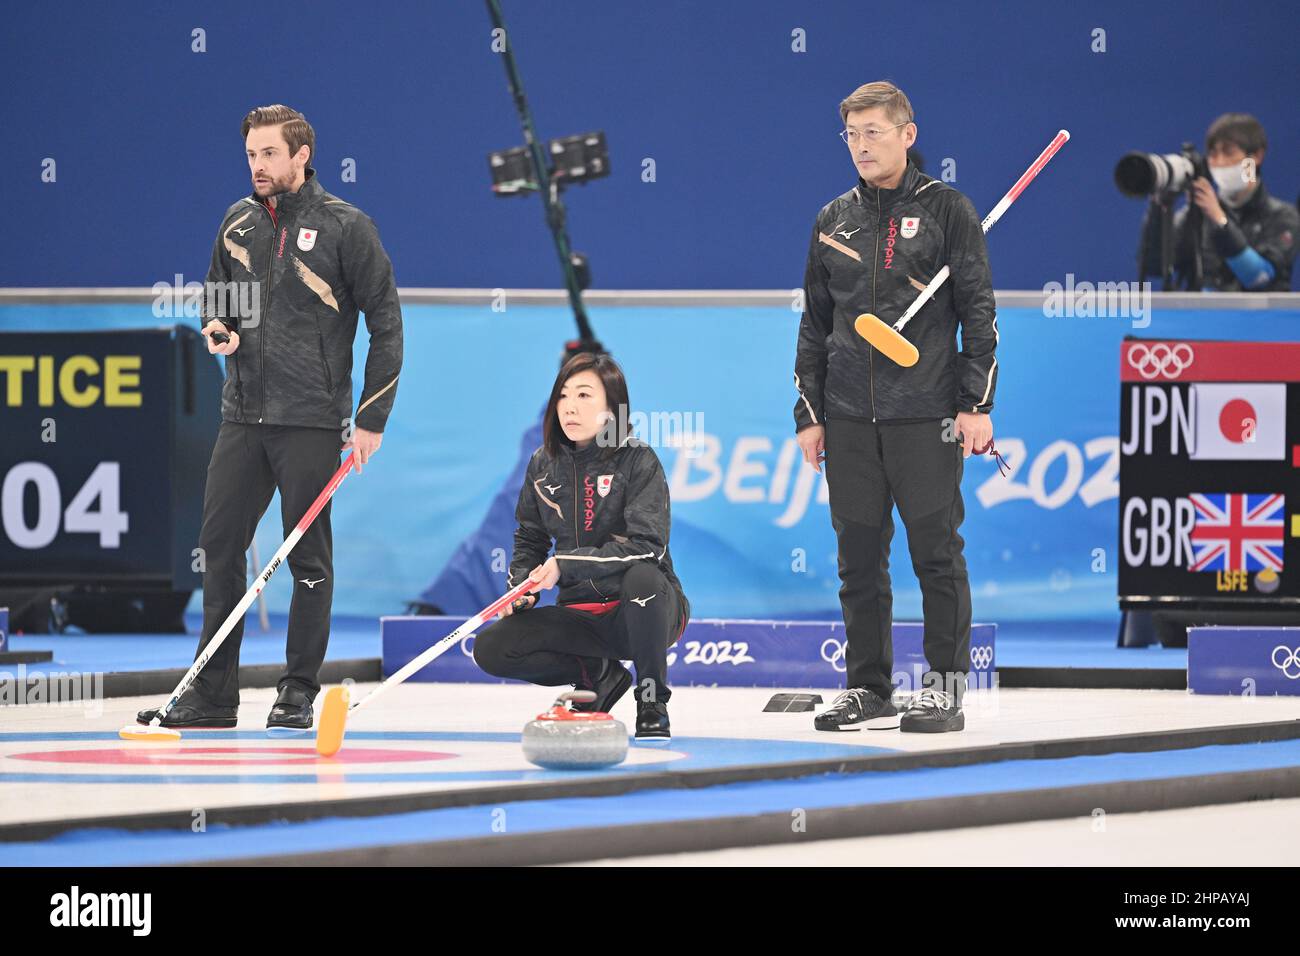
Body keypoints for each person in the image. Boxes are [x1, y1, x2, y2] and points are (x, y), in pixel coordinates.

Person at [138, 104, 403, 730]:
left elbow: (386, 324)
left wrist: (371, 419)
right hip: (242, 418)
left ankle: (296, 692)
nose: (257, 166)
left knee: (307, 555)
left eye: (269, 155)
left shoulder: (347, 227)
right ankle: (211, 696)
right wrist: (219, 328)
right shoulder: (237, 221)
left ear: (301, 155)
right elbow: (216, 294)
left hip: (311, 421)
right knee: (219, 547)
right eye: (251, 154)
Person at [793, 81, 997, 734]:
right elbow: (814, 326)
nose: (861, 145)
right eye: (851, 134)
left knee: (936, 555)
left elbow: (979, 315)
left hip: (927, 418)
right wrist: (810, 414)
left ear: (908, 134)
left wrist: (976, 404)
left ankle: (943, 692)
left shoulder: (948, 211)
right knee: (857, 559)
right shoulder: (832, 220)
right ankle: (869, 689)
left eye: (874, 132)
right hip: (849, 421)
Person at [472, 352, 690, 741]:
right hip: (580, 617)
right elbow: (530, 537)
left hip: (642, 610)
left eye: (585, 396)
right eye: (563, 396)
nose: (570, 406)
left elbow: (646, 547)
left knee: (642, 578)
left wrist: (564, 565)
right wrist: (520, 589)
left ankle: (651, 701)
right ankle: (600, 677)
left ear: (612, 409)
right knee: (491, 647)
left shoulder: (638, 460)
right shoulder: (542, 463)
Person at [1139, 113, 1297, 291]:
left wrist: (1220, 221)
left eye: (1229, 152)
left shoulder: (1284, 216)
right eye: (1213, 154)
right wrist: (1159, 210)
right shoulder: (1196, 214)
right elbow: (1154, 267)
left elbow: (1258, 277)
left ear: (1256, 157)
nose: (1220, 162)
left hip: (1258, 318)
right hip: (1203, 318)